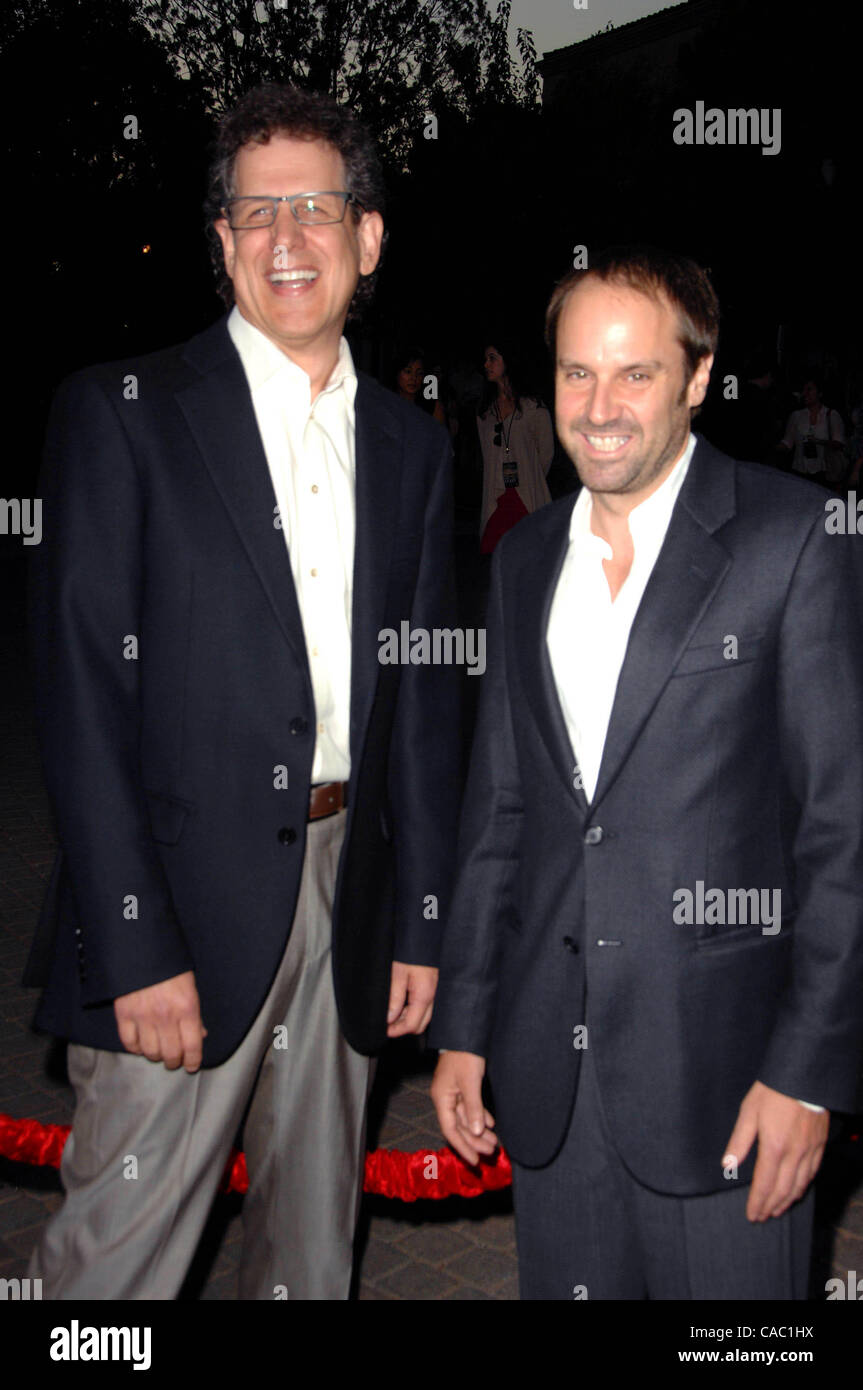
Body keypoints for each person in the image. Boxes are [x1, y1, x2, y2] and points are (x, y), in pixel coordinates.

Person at [24, 82, 461, 1300]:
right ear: (220, 242)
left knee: (314, 1251)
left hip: (348, 892)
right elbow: (78, 699)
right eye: (255, 213)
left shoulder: (416, 446)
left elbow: (421, 702)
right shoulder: (121, 416)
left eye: (315, 208)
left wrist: (419, 917)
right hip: (176, 894)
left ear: (366, 239)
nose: (286, 239)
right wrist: (131, 943)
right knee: (114, 1264)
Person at [430, 246, 863, 1300]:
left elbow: (839, 833)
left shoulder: (788, 537)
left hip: (723, 1076)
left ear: (697, 376)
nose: (599, 404)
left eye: (635, 372)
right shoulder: (524, 559)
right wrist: (462, 1029)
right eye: (577, 372)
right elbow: (498, 813)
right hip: (548, 1077)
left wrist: (805, 1072)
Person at [477, 342, 554, 553]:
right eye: (486, 359)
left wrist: (530, 478)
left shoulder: (533, 409)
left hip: (526, 498)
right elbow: (487, 456)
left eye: (492, 358)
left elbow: (545, 455)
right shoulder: (485, 412)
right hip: (496, 499)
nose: (486, 364)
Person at [778, 375, 846, 487]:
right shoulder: (796, 416)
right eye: (804, 390)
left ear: (820, 393)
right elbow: (787, 442)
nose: (805, 393)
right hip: (799, 471)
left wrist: (818, 441)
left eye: (809, 389)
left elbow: (839, 443)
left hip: (823, 473)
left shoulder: (831, 415)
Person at [391, 343, 446, 425]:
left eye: (419, 373)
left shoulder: (432, 407)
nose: (414, 378)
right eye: (408, 371)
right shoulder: (386, 403)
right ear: (397, 373)